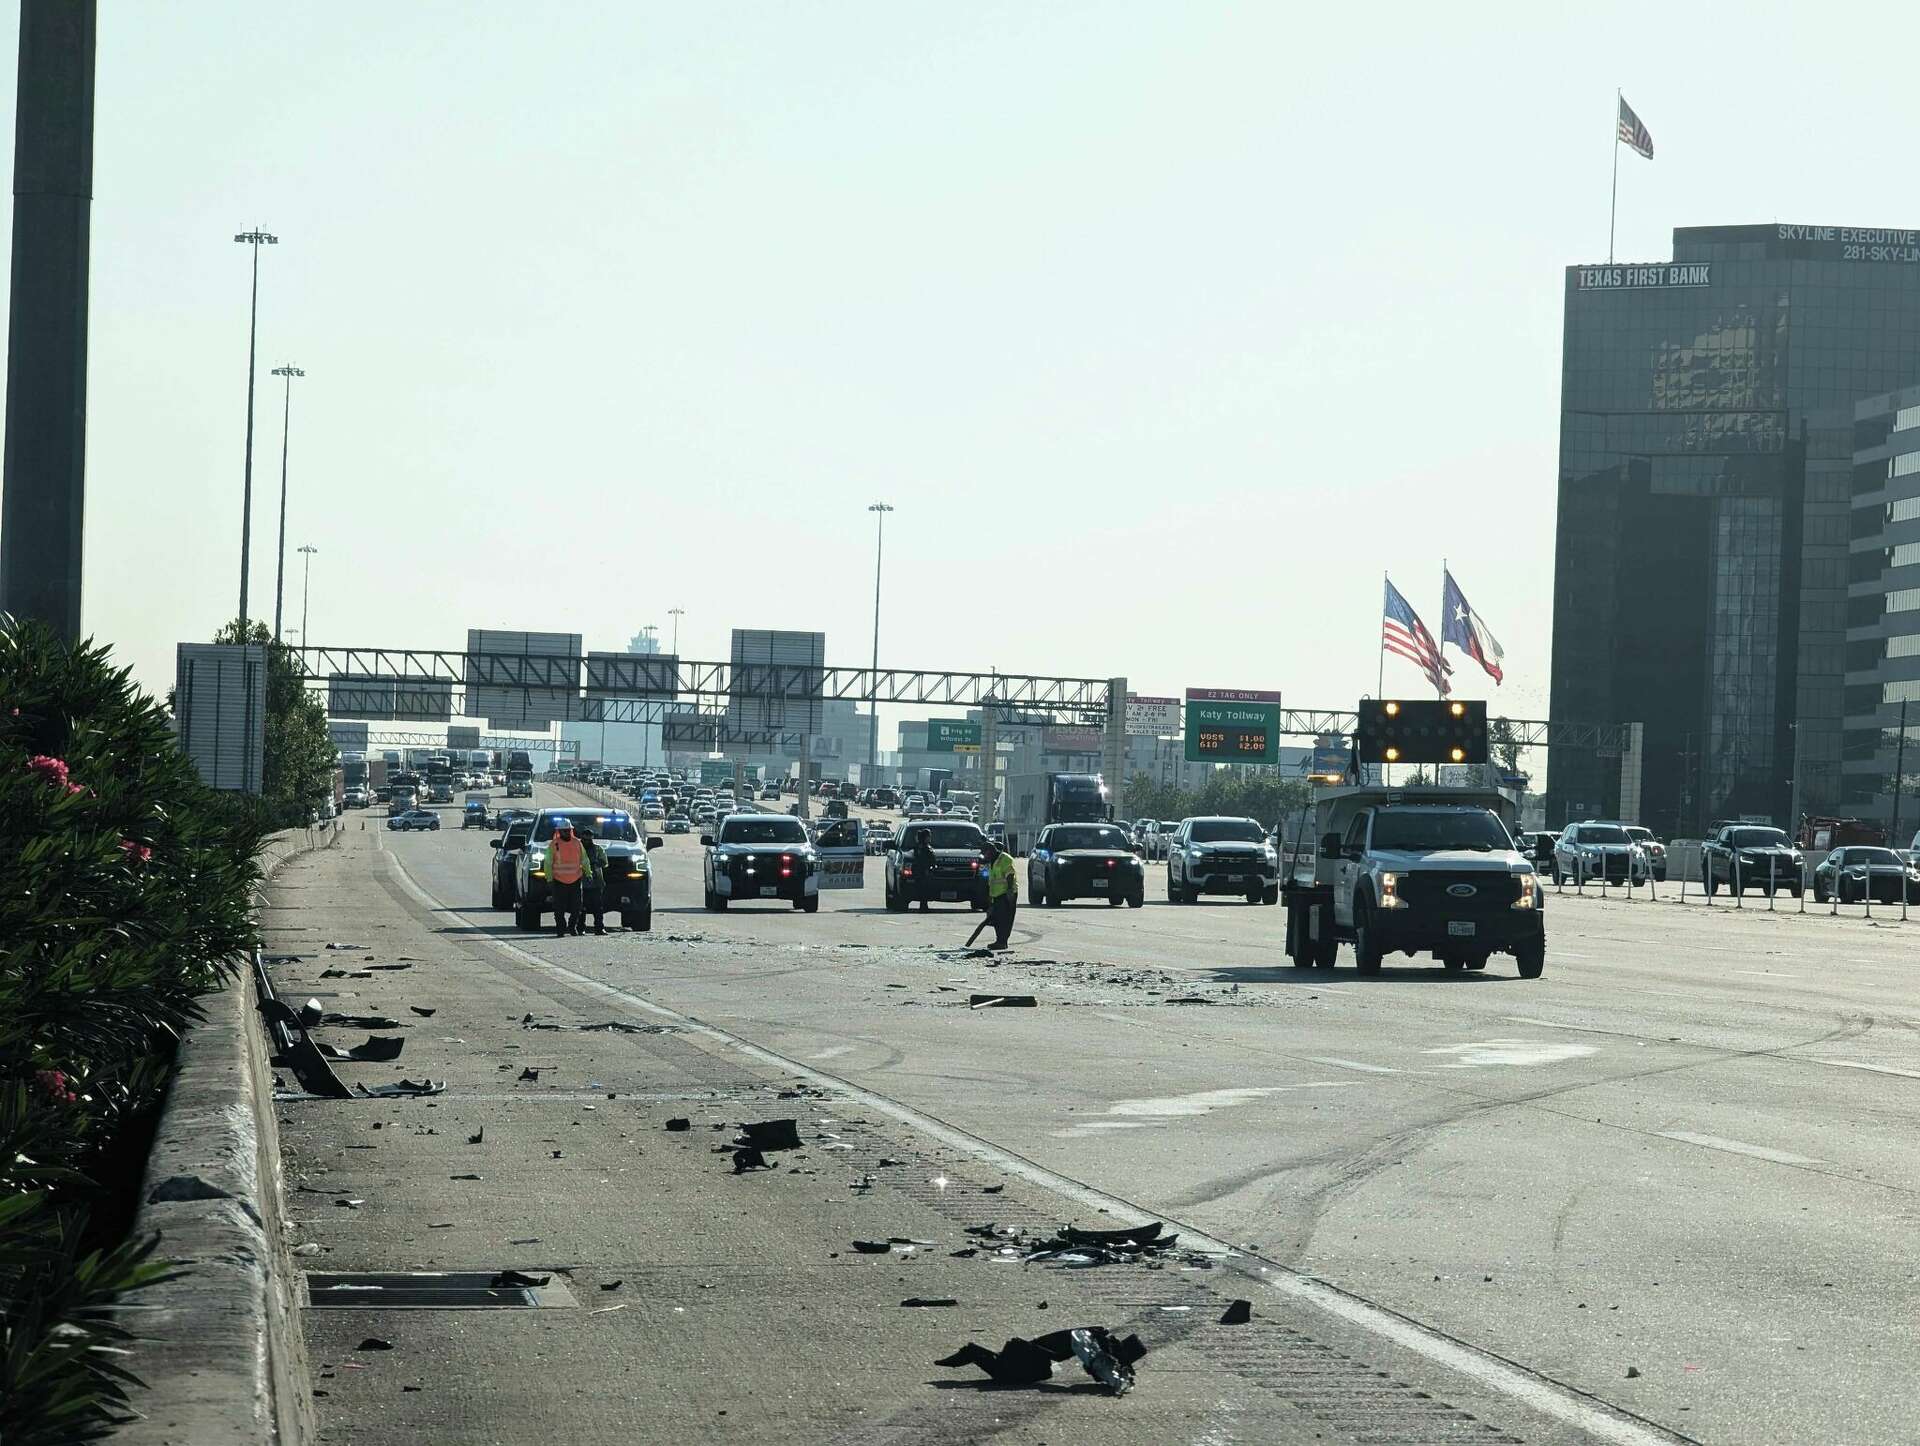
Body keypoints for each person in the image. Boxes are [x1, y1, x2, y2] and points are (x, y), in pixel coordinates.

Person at [547, 818, 594, 938]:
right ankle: (560, 929)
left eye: (568, 830)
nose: (566, 833)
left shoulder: (577, 843)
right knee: (559, 908)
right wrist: (549, 879)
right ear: (559, 831)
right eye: (564, 831)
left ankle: (572, 927)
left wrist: (588, 874)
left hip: (576, 880)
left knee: (576, 907)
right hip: (558, 881)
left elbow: (584, 860)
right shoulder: (554, 844)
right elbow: (548, 863)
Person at [983, 837, 1018, 949]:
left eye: (986, 854)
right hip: (996, 895)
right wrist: (990, 897)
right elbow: (992, 880)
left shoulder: (1005, 859)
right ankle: (1000, 940)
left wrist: (1009, 892)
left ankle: (1002, 942)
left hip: (1006, 893)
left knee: (1004, 919)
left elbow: (1010, 875)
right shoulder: (992, 861)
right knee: (996, 919)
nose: (985, 856)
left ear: (991, 851)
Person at [576, 824, 608, 936]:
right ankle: (580, 928)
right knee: (581, 907)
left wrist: (596, 863)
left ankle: (599, 928)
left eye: (589, 839)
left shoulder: (598, 849)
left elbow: (605, 862)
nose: (586, 842)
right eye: (584, 839)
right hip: (580, 882)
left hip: (596, 882)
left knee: (598, 907)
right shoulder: (576, 849)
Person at [912, 828, 936, 911]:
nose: (930, 838)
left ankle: (924, 905)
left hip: (920, 871)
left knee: (923, 889)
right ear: (925, 837)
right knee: (924, 889)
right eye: (929, 836)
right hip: (923, 871)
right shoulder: (924, 848)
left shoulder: (919, 847)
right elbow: (927, 860)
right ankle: (923, 906)